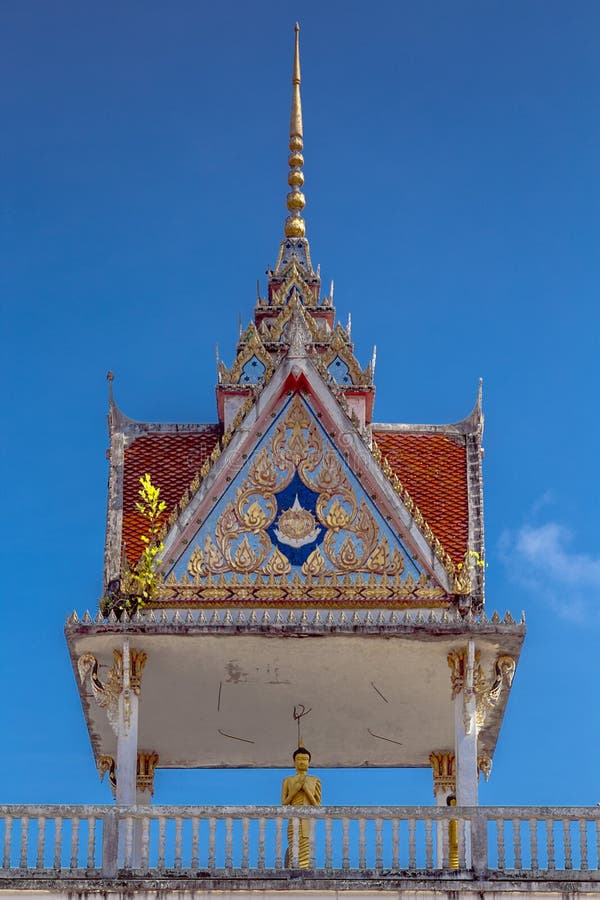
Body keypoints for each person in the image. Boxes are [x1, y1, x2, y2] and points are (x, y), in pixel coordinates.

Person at [281, 746, 321, 867]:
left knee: (306, 846)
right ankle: (293, 868)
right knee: (294, 844)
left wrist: (306, 790)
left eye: (305, 759)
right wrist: (294, 791)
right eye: (299, 759)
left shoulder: (315, 780)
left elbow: (317, 805)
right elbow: (284, 803)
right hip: (293, 820)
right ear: (294, 762)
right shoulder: (288, 780)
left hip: (307, 821)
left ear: (309, 762)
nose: (302, 762)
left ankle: (304, 870)